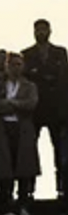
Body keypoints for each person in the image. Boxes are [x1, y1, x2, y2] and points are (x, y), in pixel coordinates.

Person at [0, 52, 41, 210]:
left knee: (24, 167)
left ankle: (23, 202)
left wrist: (11, 103)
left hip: (23, 129)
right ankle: (6, 201)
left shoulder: (30, 86)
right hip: (4, 129)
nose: (15, 68)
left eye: (19, 64)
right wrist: (17, 104)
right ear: (6, 66)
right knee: (5, 168)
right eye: (12, 64)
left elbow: (31, 104)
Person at [22, 19, 68, 197]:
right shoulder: (27, 54)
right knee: (29, 151)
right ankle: (28, 190)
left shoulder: (60, 53)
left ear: (50, 31)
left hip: (58, 110)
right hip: (34, 110)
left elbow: (65, 81)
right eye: (38, 30)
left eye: (44, 29)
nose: (41, 32)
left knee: (61, 151)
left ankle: (62, 188)